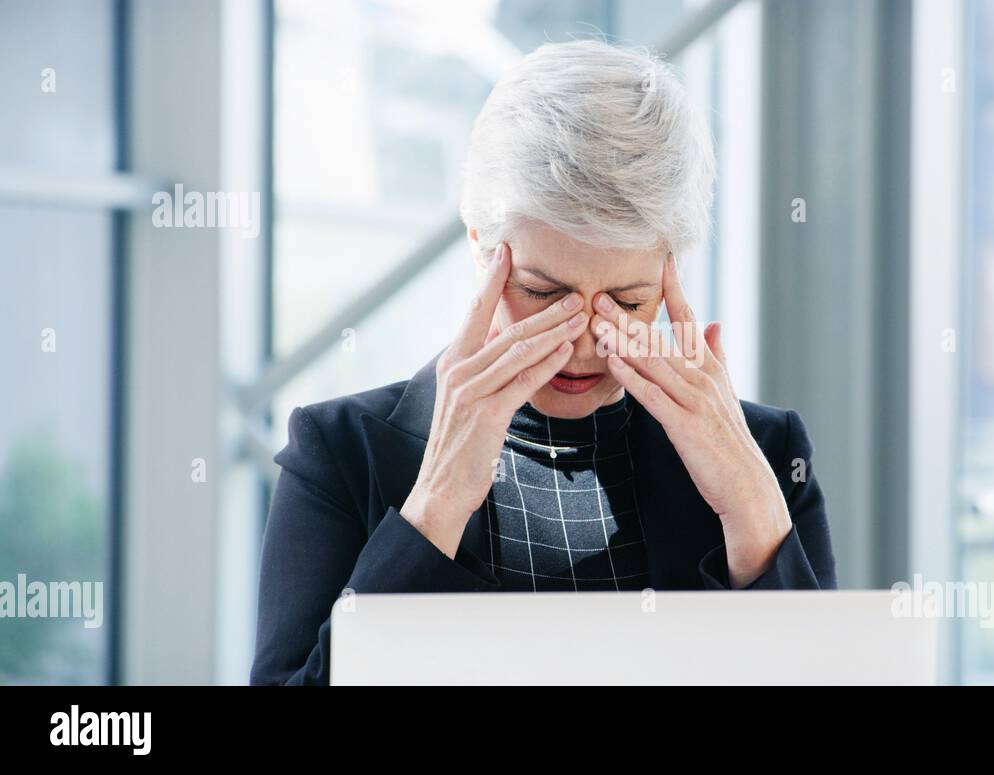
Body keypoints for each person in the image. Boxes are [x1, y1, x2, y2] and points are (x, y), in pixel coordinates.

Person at [251, 39, 835, 686]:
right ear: (481, 250)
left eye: (627, 300)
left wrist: (755, 517)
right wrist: (435, 509)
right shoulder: (339, 454)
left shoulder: (770, 453)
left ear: (674, 274)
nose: (585, 339)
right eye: (544, 293)